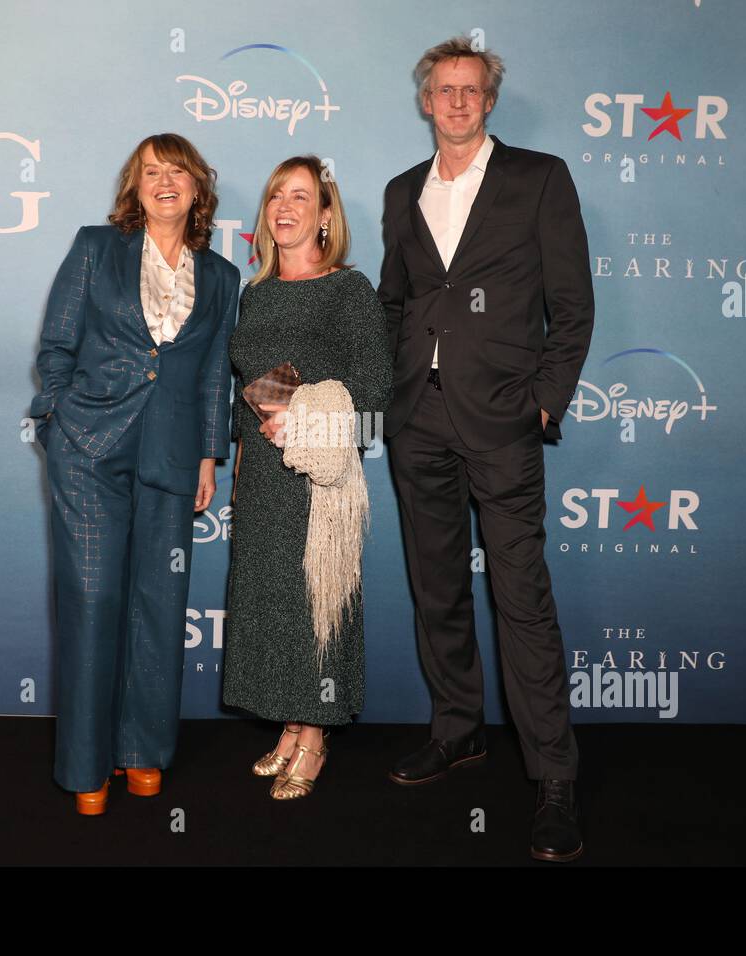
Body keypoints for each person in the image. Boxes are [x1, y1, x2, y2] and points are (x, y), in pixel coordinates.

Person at [377, 37, 596, 860]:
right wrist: (381, 399)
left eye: (472, 90)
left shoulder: (540, 178)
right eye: (445, 90)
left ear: (490, 101)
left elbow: (572, 308)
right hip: (418, 421)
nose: (459, 102)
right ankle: (457, 728)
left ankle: (555, 777)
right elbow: (395, 304)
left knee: (522, 600)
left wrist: (542, 404)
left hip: (503, 420)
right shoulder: (403, 191)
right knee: (437, 591)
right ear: (426, 100)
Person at [30, 133, 240, 816]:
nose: (165, 181)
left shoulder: (221, 276)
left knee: (158, 606)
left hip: (174, 457)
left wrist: (210, 455)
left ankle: (141, 752)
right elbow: (57, 344)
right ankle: (86, 765)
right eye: (152, 171)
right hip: (89, 450)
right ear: (135, 184)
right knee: (93, 603)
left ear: (198, 188)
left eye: (177, 171)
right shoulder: (97, 248)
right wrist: (61, 415)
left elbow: (213, 376)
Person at [223, 156, 392, 800]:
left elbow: (376, 399)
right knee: (273, 602)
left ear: (326, 214)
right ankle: (291, 727)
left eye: (301, 196)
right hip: (264, 474)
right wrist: (248, 456)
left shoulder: (349, 290)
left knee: (316, 596)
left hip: (320, 480)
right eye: (276, 196)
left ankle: (316, 737)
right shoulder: (255, 293)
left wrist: (301, 423)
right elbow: (252, 388)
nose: (285, 206)